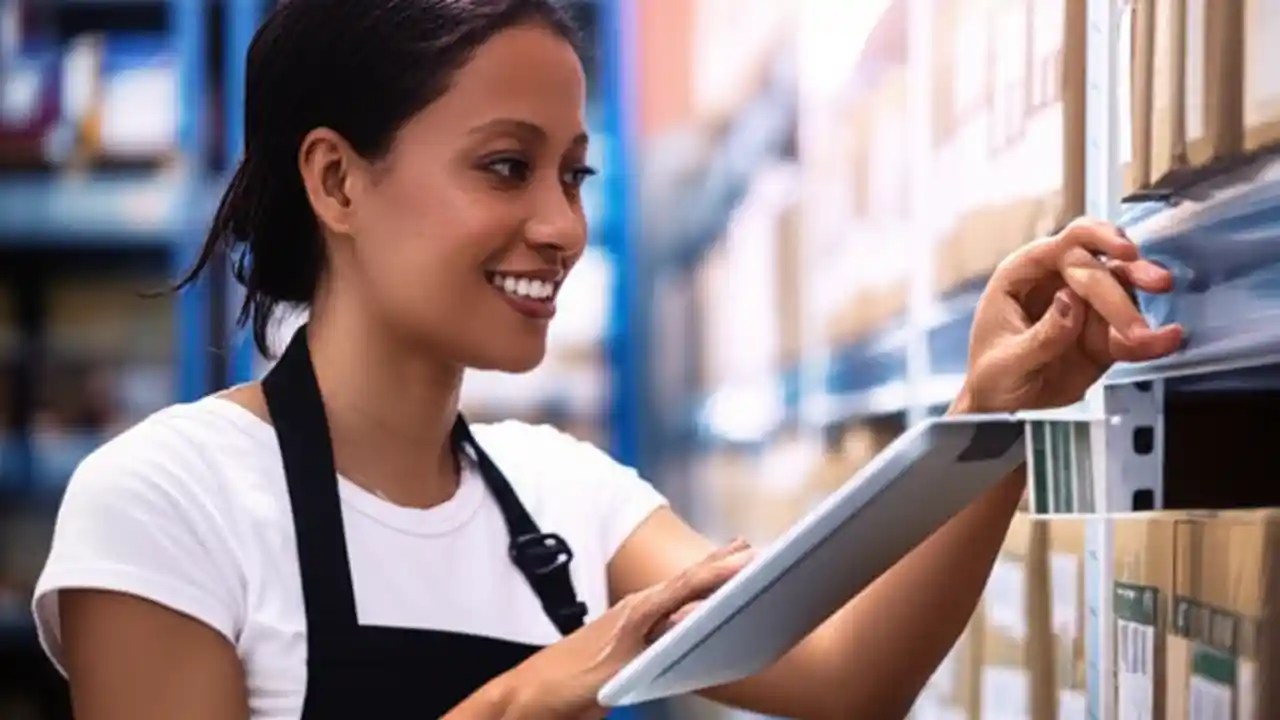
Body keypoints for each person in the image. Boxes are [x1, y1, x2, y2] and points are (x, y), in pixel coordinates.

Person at [30, 1, 1185, 718]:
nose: (561, 225)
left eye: (572, 175)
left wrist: (988, 412)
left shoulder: (564, 497)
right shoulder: (169, 502)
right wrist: (525, 699)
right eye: (502, 166)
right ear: (335, 180)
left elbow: (843, 679)